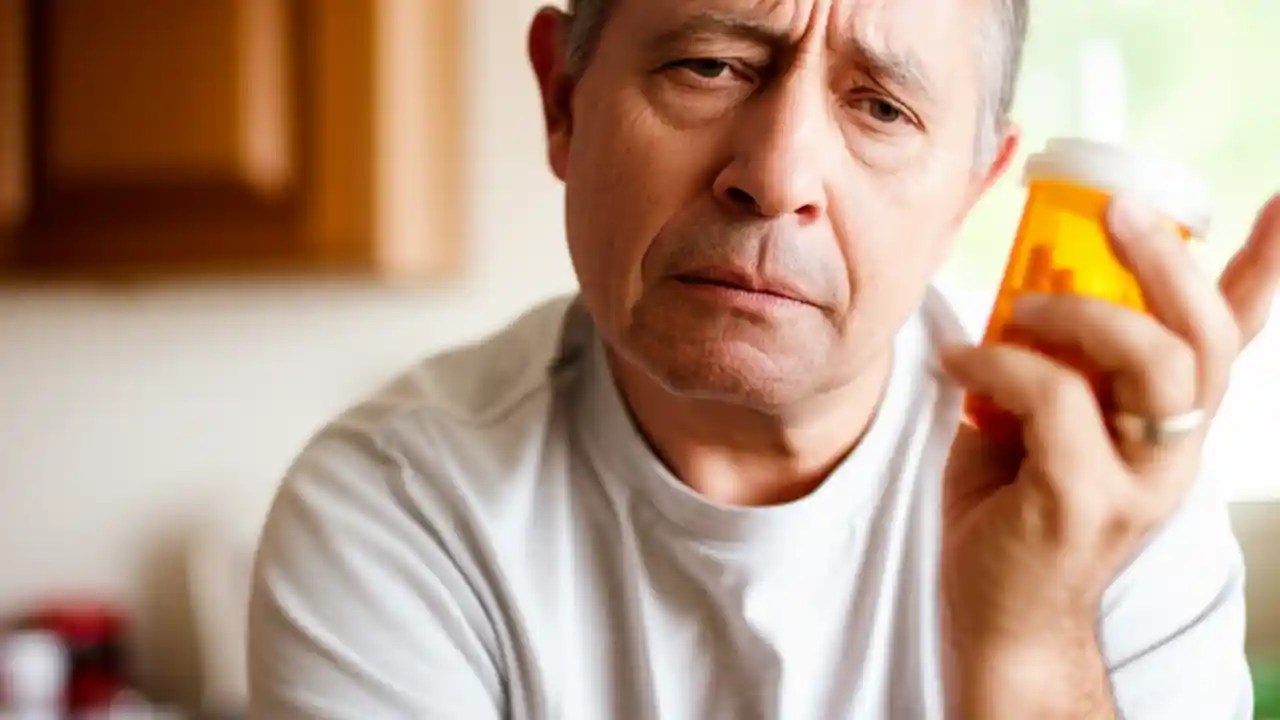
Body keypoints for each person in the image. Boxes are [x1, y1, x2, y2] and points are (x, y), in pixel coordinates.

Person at [247, 0, 1280, 717]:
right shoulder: (400, 506)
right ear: (563, 98)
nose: (777, 175)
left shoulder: (1098, 496)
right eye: (709, 64)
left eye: (880, 107)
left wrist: (1032, 641)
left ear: (972, 191)